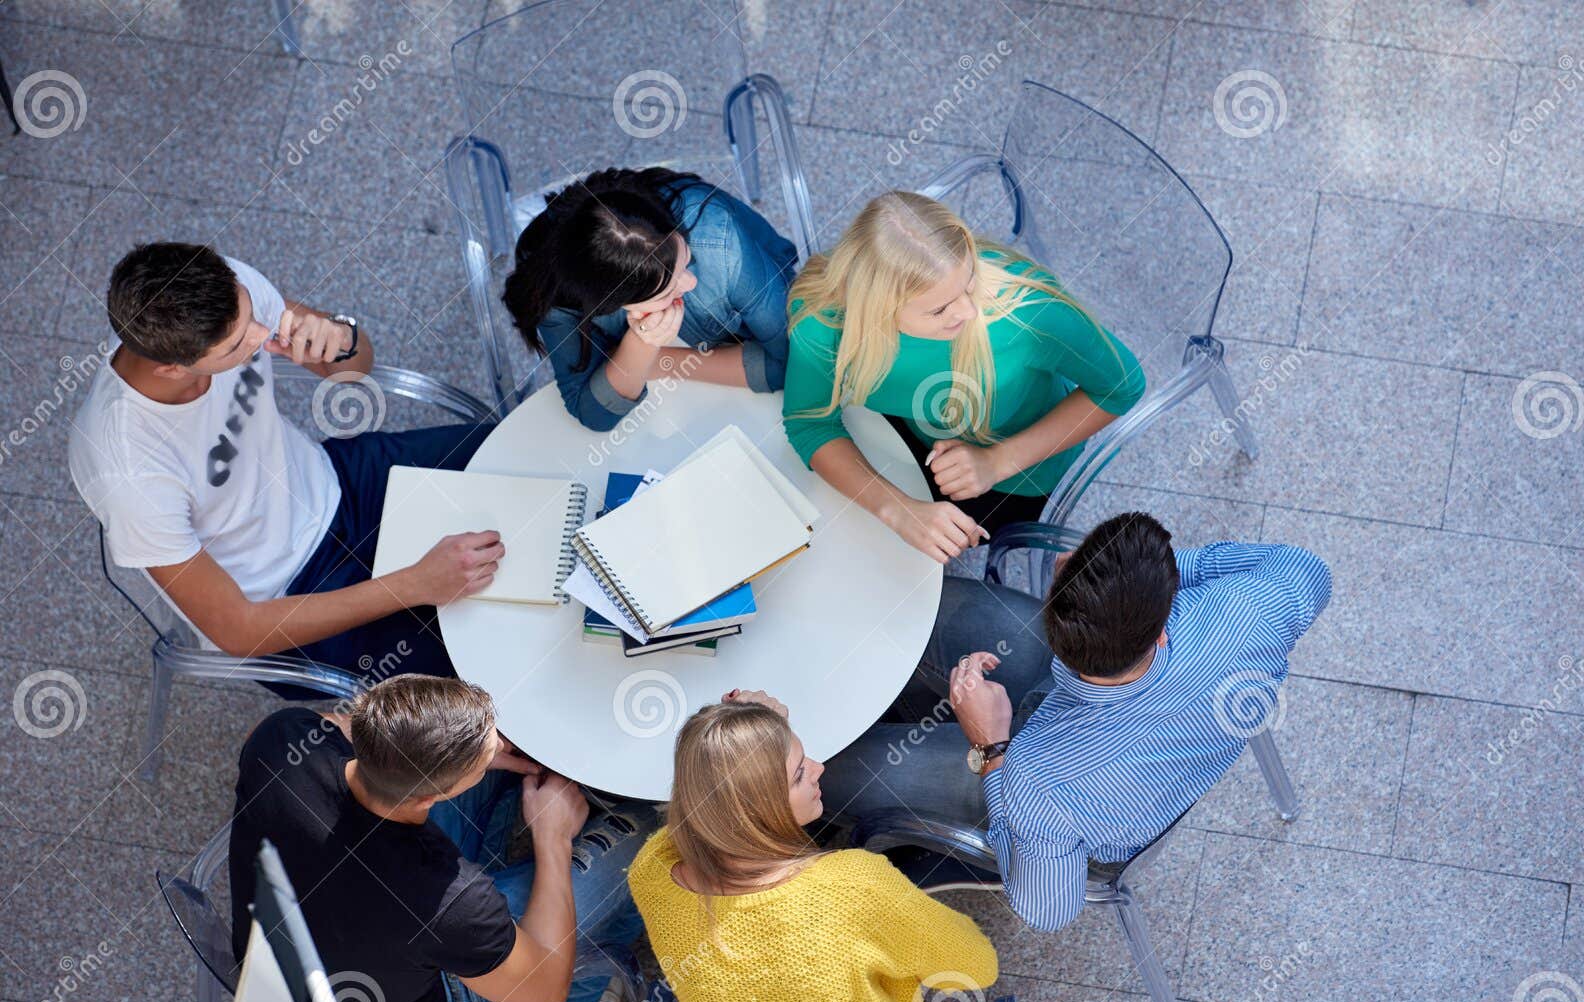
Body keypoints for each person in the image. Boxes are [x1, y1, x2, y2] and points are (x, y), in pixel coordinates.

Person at [825, 512, 1333, 924]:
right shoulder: (1254, 608)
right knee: (913, 612)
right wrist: (1135, 591)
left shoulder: (1037, 791)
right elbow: (1312, 572)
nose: (1066, 560)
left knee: (830, 768)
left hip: (1037, 781)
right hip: (1114, 727)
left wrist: (991, 747)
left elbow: (1048, 909)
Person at [68, 242, 502, 689]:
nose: (260, 334)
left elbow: (356, 367)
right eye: (238, 343)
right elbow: (238, 630)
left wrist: (339, 338)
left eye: (252, 316)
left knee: (515, 460)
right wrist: (412, 584)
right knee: (491, 676)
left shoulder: (227, 292)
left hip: (338, 481)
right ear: (172, 370)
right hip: (290, 598)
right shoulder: (127, 469)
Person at [228, 674, 657, 1002]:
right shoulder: (453, 903)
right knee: (649, 837)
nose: (497, 747)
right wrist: (554, 840)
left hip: (282, 970)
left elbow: (310, 730)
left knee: (500, 784)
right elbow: (544, 993)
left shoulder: (279, 740)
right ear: (435, 795)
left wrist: (454, 751)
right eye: (481, 757)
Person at [628, 690, 997, 1002]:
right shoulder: (853, 888)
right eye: (799, 773)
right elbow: (975, 967)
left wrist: (759, 735)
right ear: (760, 808)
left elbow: (692, 818)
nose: (820, 768)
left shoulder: (652, 874)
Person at [782, 192, 1146, 563]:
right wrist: (899, 510)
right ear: (877, 309)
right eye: (940, 309)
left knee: (887, 559)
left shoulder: (1030, 311)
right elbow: (811, 425)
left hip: (1019, 471)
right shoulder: (823, 319)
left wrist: (997, 462)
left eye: (969, 281)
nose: (969, 311)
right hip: (917, 433)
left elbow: (1121, 387)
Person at [502, 167, 798, 430]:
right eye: (667, 290)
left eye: (686, 259)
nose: (690, 281)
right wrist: (642, 343)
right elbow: (592, 413)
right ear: (610, 304)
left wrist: (659, 362)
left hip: (740, 355)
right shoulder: (551, 289)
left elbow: (799, 364)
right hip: (706, 389)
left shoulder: (717, 239)